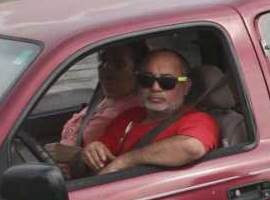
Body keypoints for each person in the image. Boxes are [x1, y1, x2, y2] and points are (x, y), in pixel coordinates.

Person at [76, 49, 221, 177]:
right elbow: (101, 154)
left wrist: (126, 161)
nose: (155, 88)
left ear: (186, 86)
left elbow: (191, 148)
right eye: (146, 80)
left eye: (167, 82)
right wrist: (91, 151)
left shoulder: (198, 120)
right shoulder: (128, 117)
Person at [51, 40, 142, 164]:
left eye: (118, 65)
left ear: (138, 71)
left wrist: (69, 154)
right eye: (103, 61)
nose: (106, 71)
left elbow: (111, 163)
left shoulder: (136, 112)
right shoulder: (104, 97)